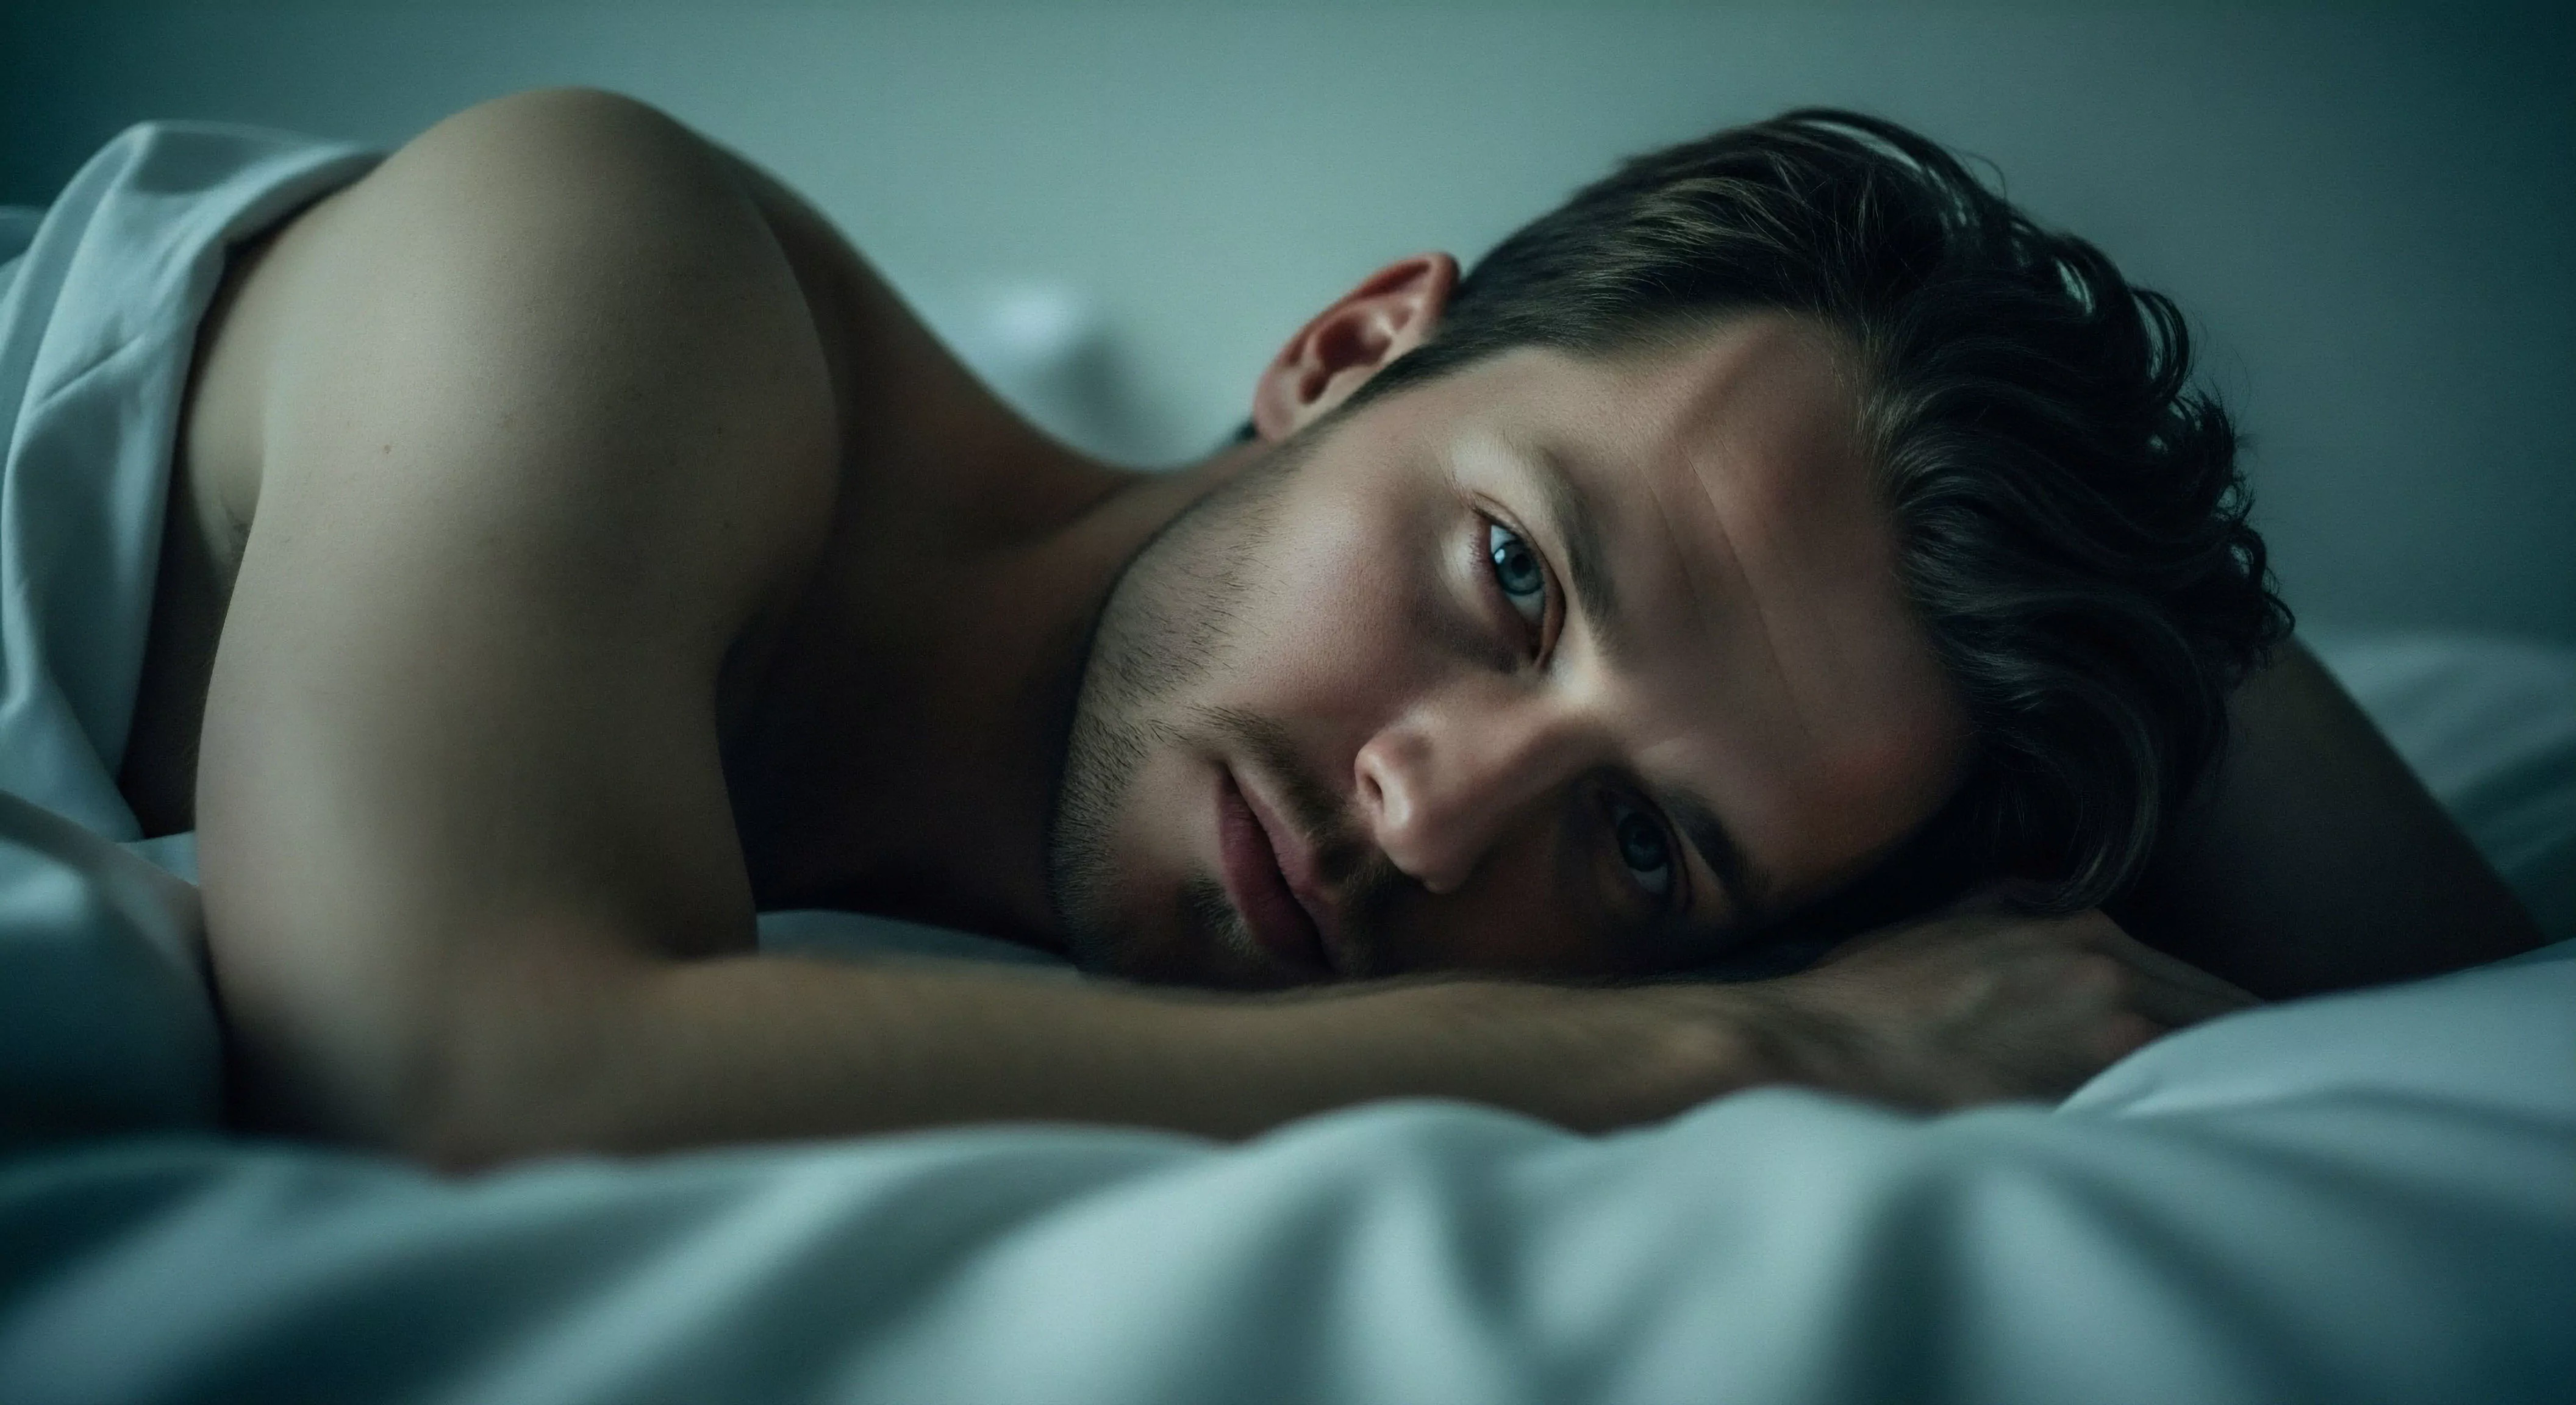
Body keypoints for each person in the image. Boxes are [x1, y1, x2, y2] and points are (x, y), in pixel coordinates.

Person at [86, 88, 2536, 1167]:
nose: (1434, 822)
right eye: (1512, 580)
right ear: (1350, 352)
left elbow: (2454, 1039)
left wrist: (2143, 606)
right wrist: (1731, 1032)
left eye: (1651, 852)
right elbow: (456, 1076)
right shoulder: (608, 262)